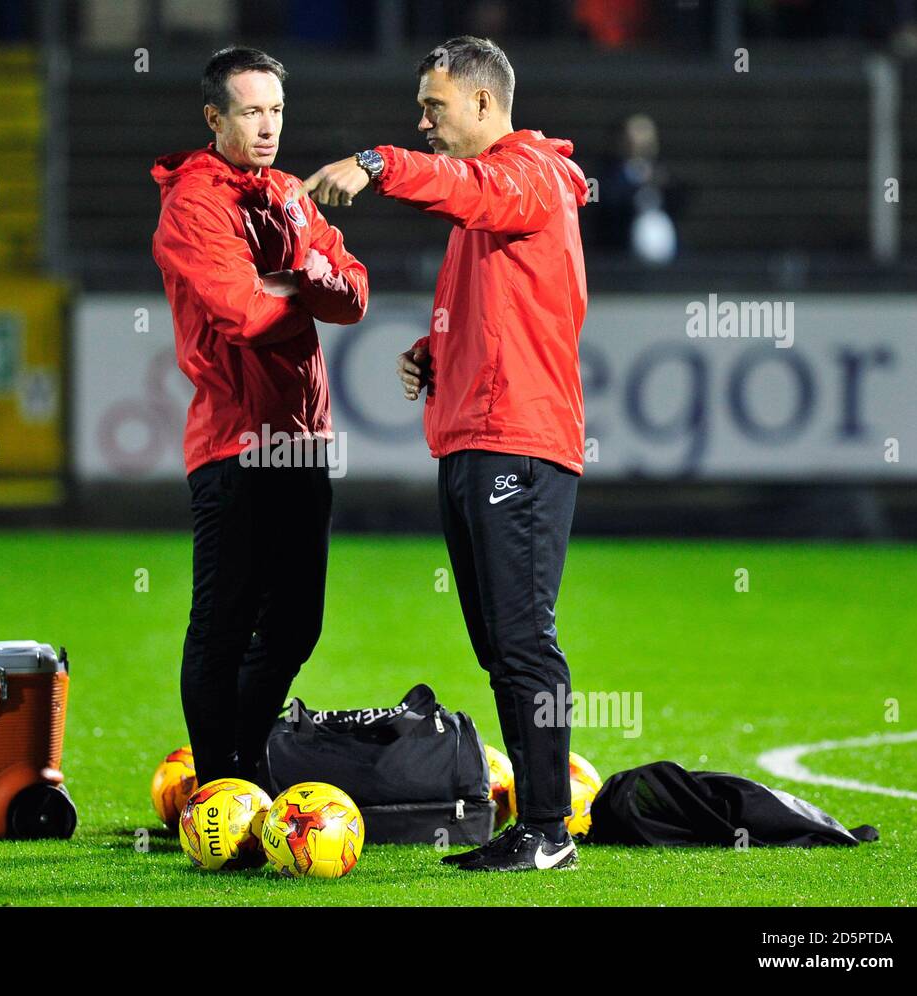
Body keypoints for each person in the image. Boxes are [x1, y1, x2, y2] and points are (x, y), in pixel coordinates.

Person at [300, 35, 588, 871]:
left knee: (525, 640)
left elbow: (462, 186)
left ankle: (548, 832)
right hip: (474, 437)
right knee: (503, 644)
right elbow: (509, 307)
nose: (422, 120)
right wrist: (440, 349)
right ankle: (536, 824)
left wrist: (376, 162)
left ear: (486, 105)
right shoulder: (496, 200)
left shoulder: (525, 173)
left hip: (520, 446)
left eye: (434, 106)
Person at [151, 46, 369, 790]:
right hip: (234, 442)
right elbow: (244, 316)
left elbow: (353, 295)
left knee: (296, 624)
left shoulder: (288, 192)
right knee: (223, 626)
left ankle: (241, 767)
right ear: (215, 117)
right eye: (251, 111)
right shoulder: (192, 204)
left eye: (277, 109)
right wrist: (307, 279)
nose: (269, 124)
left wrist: (300, 277)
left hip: (304, 441)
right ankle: (218, 787)